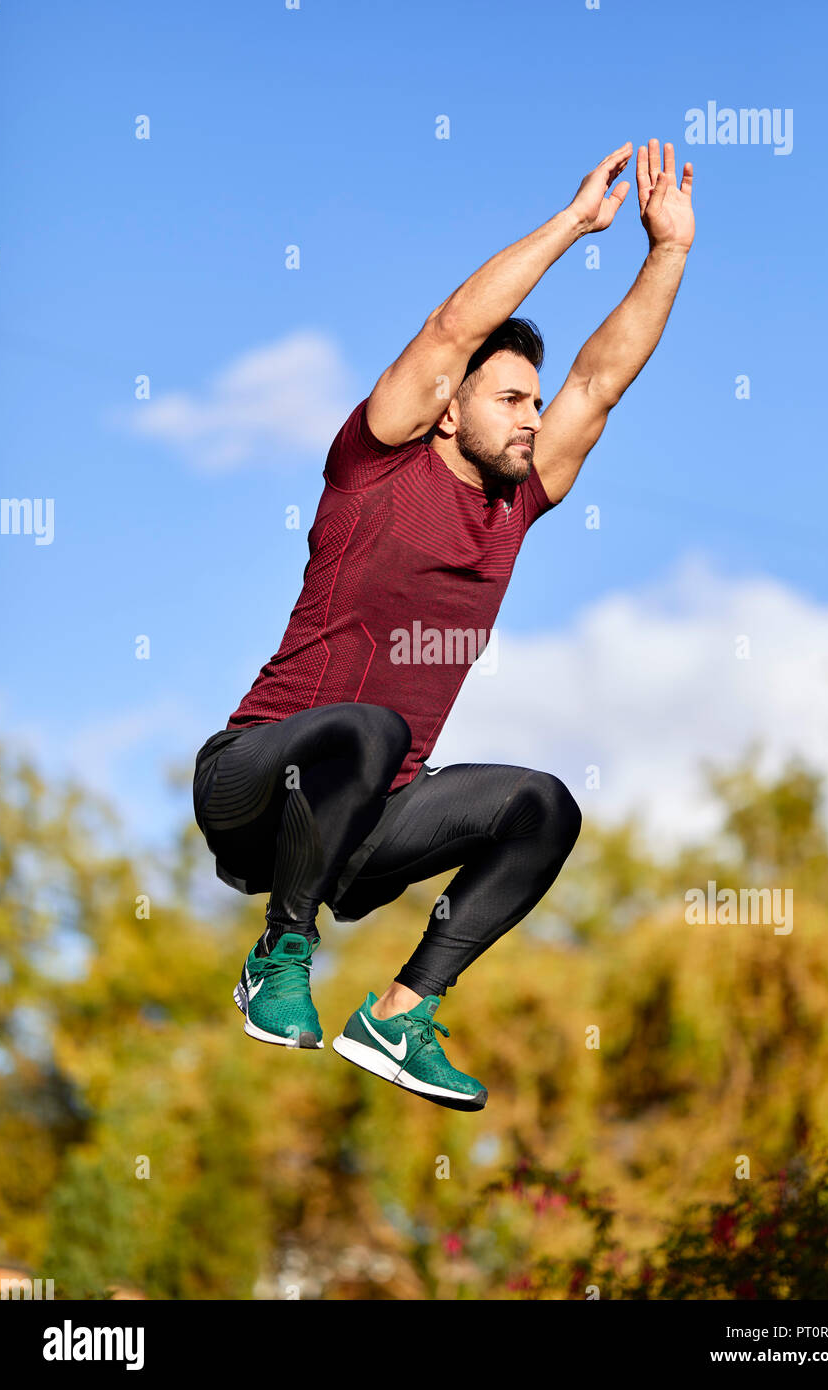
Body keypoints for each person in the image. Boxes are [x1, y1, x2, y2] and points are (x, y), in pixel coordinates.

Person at [192, 139, 695, 1111]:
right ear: (443, 410)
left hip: (362, 823)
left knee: (541, 806)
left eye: (532, 404)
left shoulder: (519, 503)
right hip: (256, 779)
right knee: (367, 730)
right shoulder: (378, 462)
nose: (529, 416)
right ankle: (279, 957)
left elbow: (600, 381)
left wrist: (663, 252)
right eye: (508, 398)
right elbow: (448, 325)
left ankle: (399, 1012)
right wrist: (573, 224)